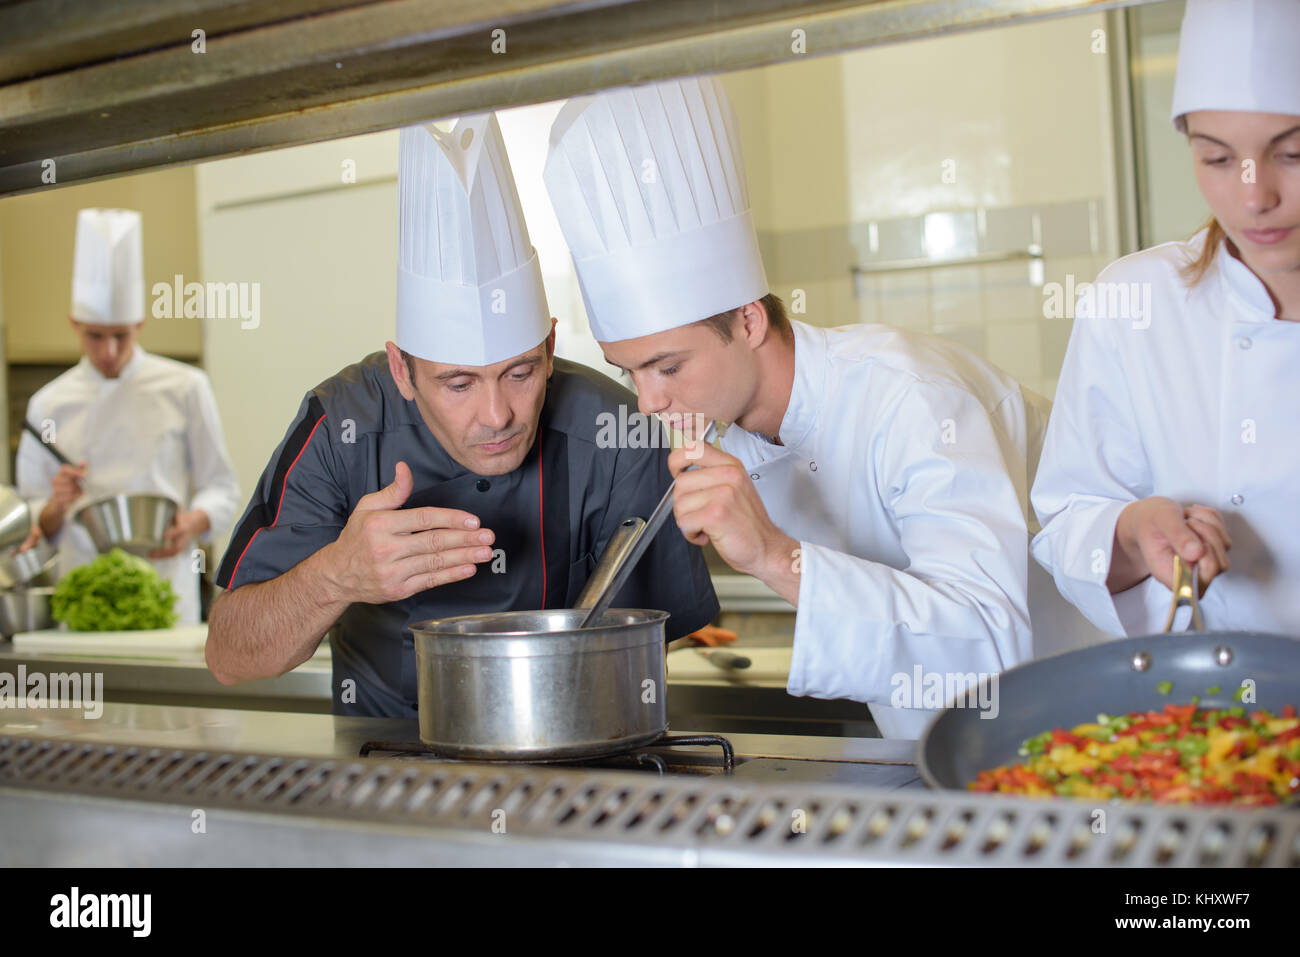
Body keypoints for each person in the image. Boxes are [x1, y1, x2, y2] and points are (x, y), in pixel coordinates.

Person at [543, 76, 1052, 738]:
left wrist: (774, 555)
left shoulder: (913, 401)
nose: (650, 400)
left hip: (1069, 733)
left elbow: (988, 646)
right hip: (933, 753)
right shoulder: (743, 435)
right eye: (630, 372)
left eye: (668, 366)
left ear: (749, 320)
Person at [205, 113, 718, 717]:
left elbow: (641, 661)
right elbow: (230, 656)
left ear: (551, 349)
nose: (497, 415)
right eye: (457, 383)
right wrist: (336, 577)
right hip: (385, 766)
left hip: (569, 759)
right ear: (402, 371)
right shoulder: (341, 426)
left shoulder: (618, 434)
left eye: (520, 372)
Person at [1031, 0, 1300, 637]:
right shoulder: (1135, 302)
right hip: (1216, 714)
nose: (1255, 194)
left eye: (1293, 153)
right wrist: (1129, 533)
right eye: (1215, 157)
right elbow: (1070, 520)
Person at [16, 207, 241, 625]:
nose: (109, 352)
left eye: (121, 335)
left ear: (140, 323)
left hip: (167, 592)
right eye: (95, 336)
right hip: (83, 596)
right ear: (74, 324)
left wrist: (192, 522)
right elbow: (31, 522)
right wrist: (55, 505)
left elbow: (222, 488)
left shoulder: (185, 387)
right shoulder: (48, 405)